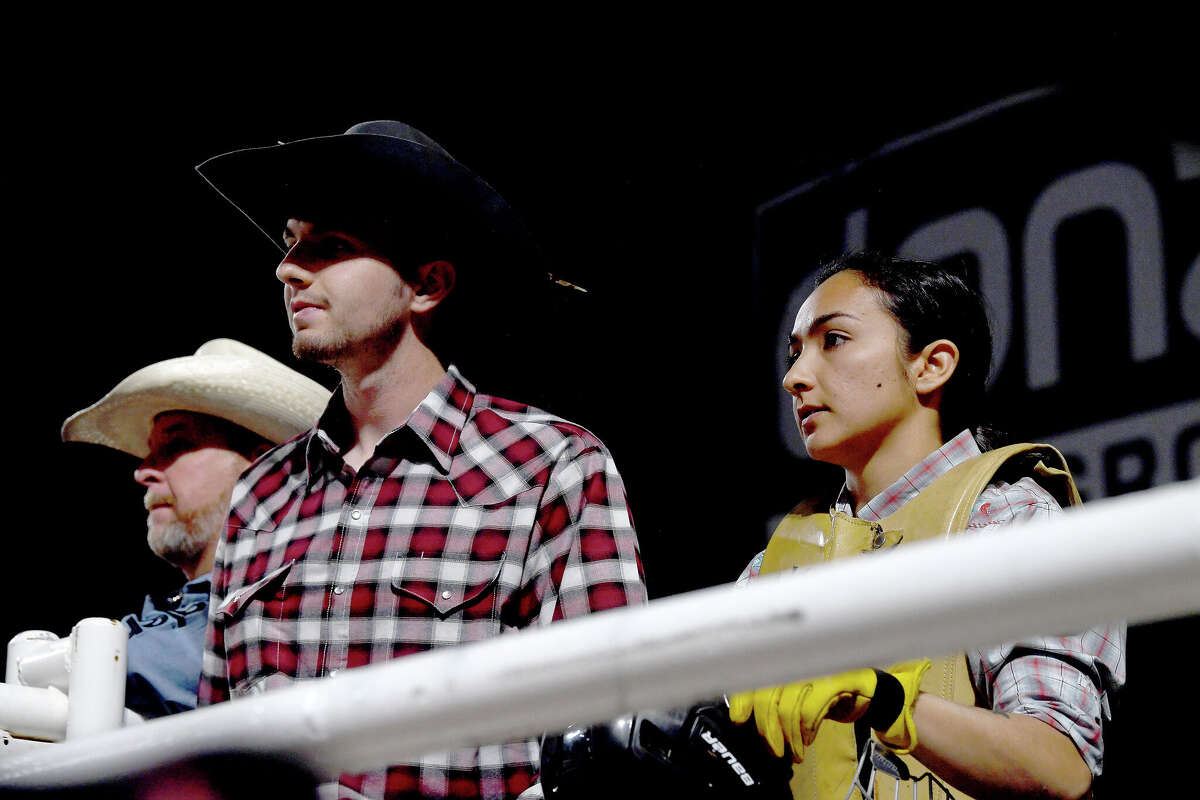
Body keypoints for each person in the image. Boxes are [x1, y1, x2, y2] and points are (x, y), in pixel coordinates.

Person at [194, 121, 648, 800]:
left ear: (427, 285)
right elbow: (214, 749)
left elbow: (603, 746)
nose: (288, 268)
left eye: (332, 246)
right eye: (291, 244)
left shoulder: (549, 468)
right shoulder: (261, 495)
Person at [729, 252, 1125, 800]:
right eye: (794, 353)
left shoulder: (1011, 521)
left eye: (834, 340)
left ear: (932, 365)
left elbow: (1060, 765)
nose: (794, 377)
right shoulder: (775, 562)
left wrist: (887, 701)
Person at [61, 339, 331, 718]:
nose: (143, 471)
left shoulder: (304, 606)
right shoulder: (175, 622)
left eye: (176, 446)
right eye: (150, 452)